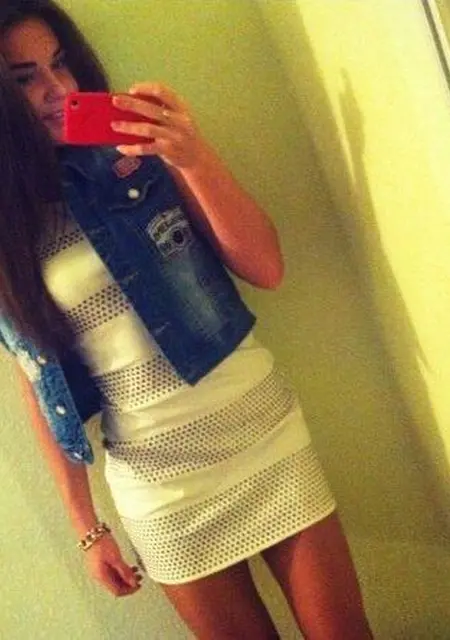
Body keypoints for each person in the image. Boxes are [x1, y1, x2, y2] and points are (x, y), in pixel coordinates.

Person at [0, 1, 373, 638]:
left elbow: (266, 266)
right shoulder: (12, 231)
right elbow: (37, 380)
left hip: (261, 432)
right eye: (25, 78)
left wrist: (193, 158)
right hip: (159, 486)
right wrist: (87, 528)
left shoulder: (138, 149)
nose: (58, 89)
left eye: (61, 64)